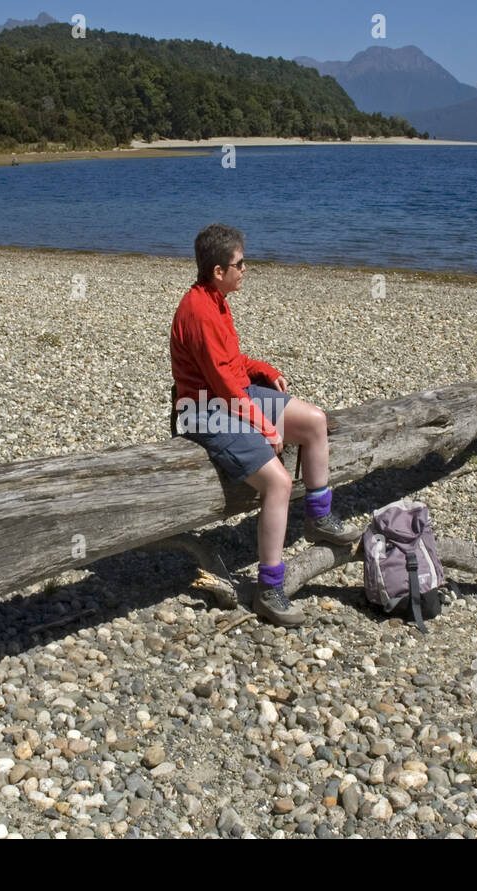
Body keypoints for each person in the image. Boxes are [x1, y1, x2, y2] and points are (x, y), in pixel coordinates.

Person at [170, 223, 362, 626]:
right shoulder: (199, 311)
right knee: (277, 482)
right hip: (202, 409)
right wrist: (261, 423)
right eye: (240, 263)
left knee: (314, 422)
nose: (246, 269)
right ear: (218, 271)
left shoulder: (216, 299)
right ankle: (270, 590)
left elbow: (231, 365)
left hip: (231, 394)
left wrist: (262, 369)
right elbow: (221, 384)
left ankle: (319, 518)